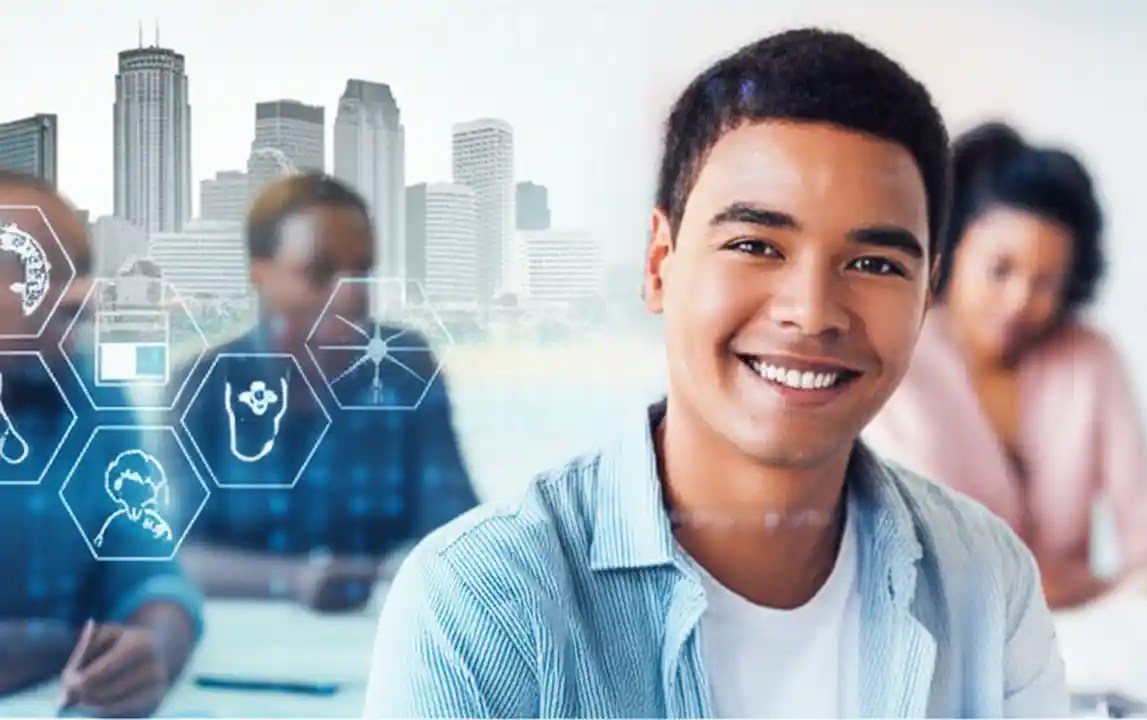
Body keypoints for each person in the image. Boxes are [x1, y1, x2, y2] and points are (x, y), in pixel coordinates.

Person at [365, 29, 1066, 718]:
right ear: (658, 264)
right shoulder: (480, 607)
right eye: (756, 244)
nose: (812, 312)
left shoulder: (987, 584)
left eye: (875, 264)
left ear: (925, 298)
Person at [862, 123, 1147, 610]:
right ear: (950, 248)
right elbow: (939, 567)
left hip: (1076, 655)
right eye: (1001, 270)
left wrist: (1125, 593)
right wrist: (1086, 587)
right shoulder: (897, 354)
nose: (1020, 301)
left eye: (1048, 282)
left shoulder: (1089, 356)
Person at [178, 173, 479, 613]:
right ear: (260, 273)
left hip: (374, 643)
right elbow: (168, 556)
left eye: (361, 271)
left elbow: (461, 533)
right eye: (319, 273)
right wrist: (296, 580)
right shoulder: (204, 386)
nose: (349, 297)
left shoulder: (404, 367)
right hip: (237, 651)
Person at [0, 171, 202, 716]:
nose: (79, 297)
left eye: (79, 271)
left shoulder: (94, 394)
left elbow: (151, 571)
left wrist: (154, 647)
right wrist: (58, 642)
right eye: (30, 270)